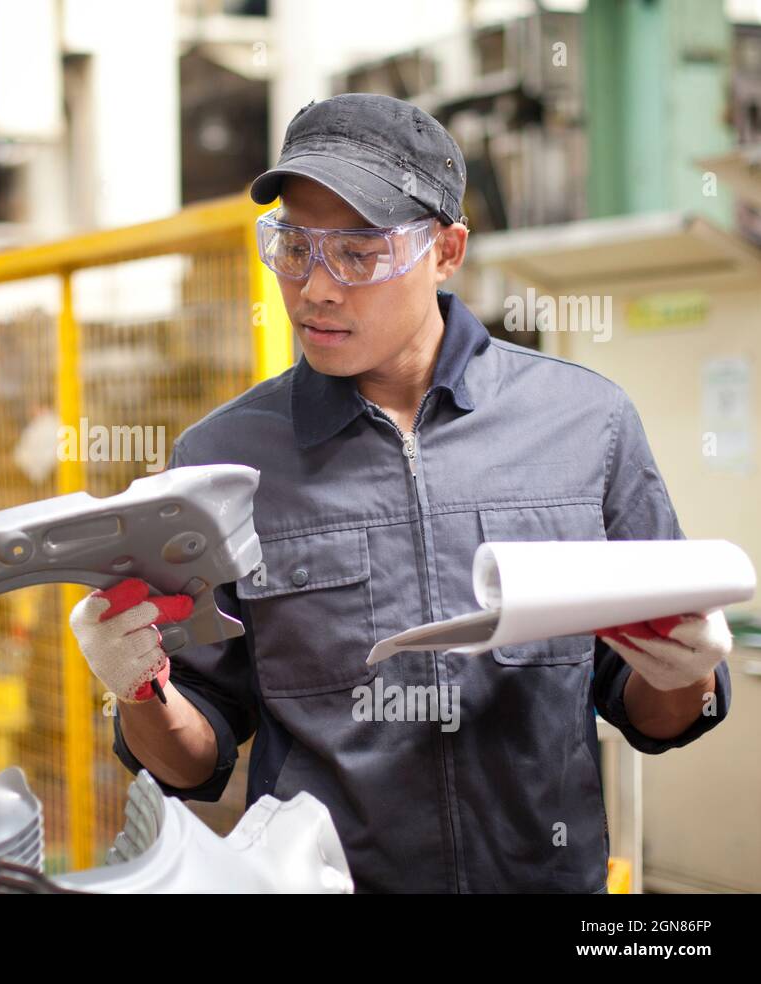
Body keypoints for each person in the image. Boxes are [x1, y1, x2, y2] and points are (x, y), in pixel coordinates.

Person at [69, 93, 733, 893]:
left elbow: (657, 716)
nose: (315, 287)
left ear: (447, 251)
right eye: (292, 247)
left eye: (358, 253)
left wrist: (685, 669)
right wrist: (136, 686)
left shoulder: (585, 425)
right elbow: (193, 759)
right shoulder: (223, 460)